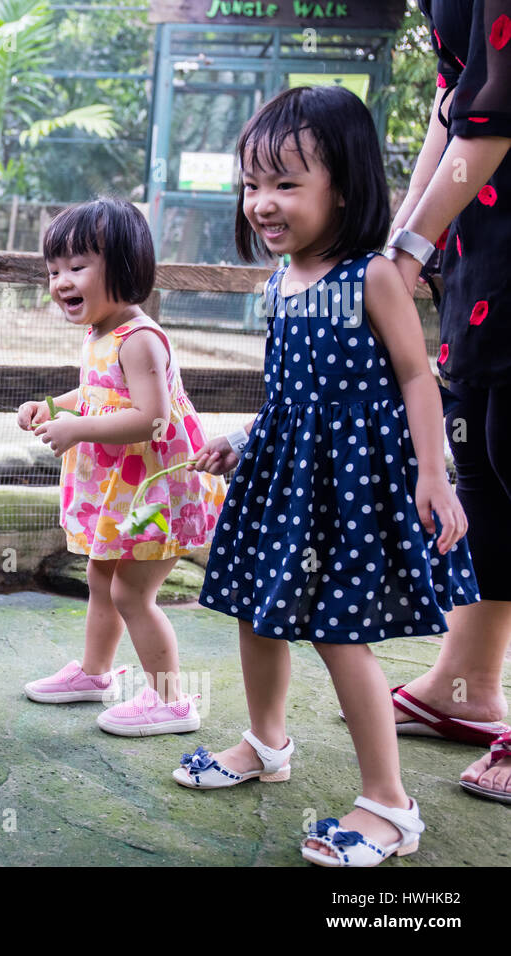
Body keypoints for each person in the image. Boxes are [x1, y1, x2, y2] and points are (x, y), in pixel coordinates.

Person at [178, 85, 478, 866]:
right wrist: (244, 439)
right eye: (252, 183)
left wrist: (433, 474)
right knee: (255, 609)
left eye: (285, 182)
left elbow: (417, 378)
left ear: (342, 185)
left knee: (340, 634)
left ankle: (390, 805)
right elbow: (289, 394)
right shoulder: (279, 283)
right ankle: (265, 744)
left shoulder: (372, 276)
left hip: (353, 485)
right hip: (285, 477)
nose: (262, 203)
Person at [18, 198, 227, 736]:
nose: (62, 280)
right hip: (125, 491)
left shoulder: (139, 338)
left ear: (125, 266)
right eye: (54, 270)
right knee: (100, 576)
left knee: (131, 593)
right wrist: (54, 408)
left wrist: (76, 430)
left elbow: (151, 419)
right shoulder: (101, 333)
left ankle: (171, 702)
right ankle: (96, 672)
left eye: (77, 266)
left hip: (156, 490)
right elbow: (96, 392)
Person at [382, 0, 511, 804]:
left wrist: (411, 246)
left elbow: (500, 104)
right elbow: (456, 96)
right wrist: (396, 250)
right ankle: (467, 683)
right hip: (487, 244)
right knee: (489, 467)